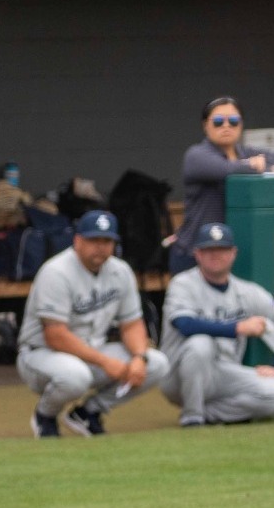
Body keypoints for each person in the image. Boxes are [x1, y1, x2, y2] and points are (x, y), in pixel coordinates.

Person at [16, 210, 169, 438]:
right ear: (77, 241)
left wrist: (139, 357)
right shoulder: (56, 272)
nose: (100, 247)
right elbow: (55, 335)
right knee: (75, 376)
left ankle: (88, 413)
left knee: (156, 363)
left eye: (106, 241)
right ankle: (45, 415)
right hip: (40, 355)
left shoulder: (120, 271)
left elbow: (132, 324)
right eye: (93, 240)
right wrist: (105, 362)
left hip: (90, 352)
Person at [159, 223, 274, 426]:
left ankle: (210, 413)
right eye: (208, 249)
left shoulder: (247, 292)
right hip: (179, 375)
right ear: (197, 254)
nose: (215, 255)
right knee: (200, 344)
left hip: (223, 373)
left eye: (221, 249)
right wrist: (238, 328)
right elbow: (184, 324)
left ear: (233, 253)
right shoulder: (183, 283)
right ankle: (192, 418)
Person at [169, 98, 273, 275]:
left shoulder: (248, 152)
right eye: (218, 121)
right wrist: (252, 165)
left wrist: (260, 166)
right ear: (205, 125)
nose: (226, 126)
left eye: (233, 121)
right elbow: (226, 169)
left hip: (231, 253)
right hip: (196, 253)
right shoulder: (196, 155)